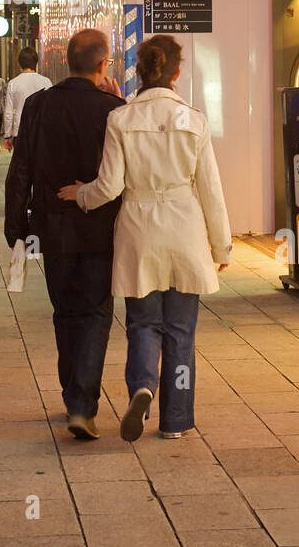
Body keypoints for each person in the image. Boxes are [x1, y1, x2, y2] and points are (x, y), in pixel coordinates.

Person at [58, 35, 232, 442]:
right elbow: (211, 189)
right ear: (176, 72)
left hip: (139, 230)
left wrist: (80, 194)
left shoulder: (120, 119)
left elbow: (109, 187)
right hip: (184, 229)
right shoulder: (194, 120)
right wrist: (221, 244)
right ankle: (176, 419)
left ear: (139, 72)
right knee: (181, 331)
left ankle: (142, 386)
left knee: (143, 323)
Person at [4, 29, 124, 440]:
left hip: (50, 227)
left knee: (65, 310)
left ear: (65, 62)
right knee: (95, 312)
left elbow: (21, 168)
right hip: (99, 228)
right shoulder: (112, 109)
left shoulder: (39, 104)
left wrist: (16, 227)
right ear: (103, 65)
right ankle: (81, 404)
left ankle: (73, 393)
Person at [2, 47, 51, 150]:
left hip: (20, 131)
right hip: (41, 132)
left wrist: (7, 135)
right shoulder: (46, 82)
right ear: (36, 62)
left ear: (20, 63)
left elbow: (8, 113)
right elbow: (51, 110)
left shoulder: (13, 83)